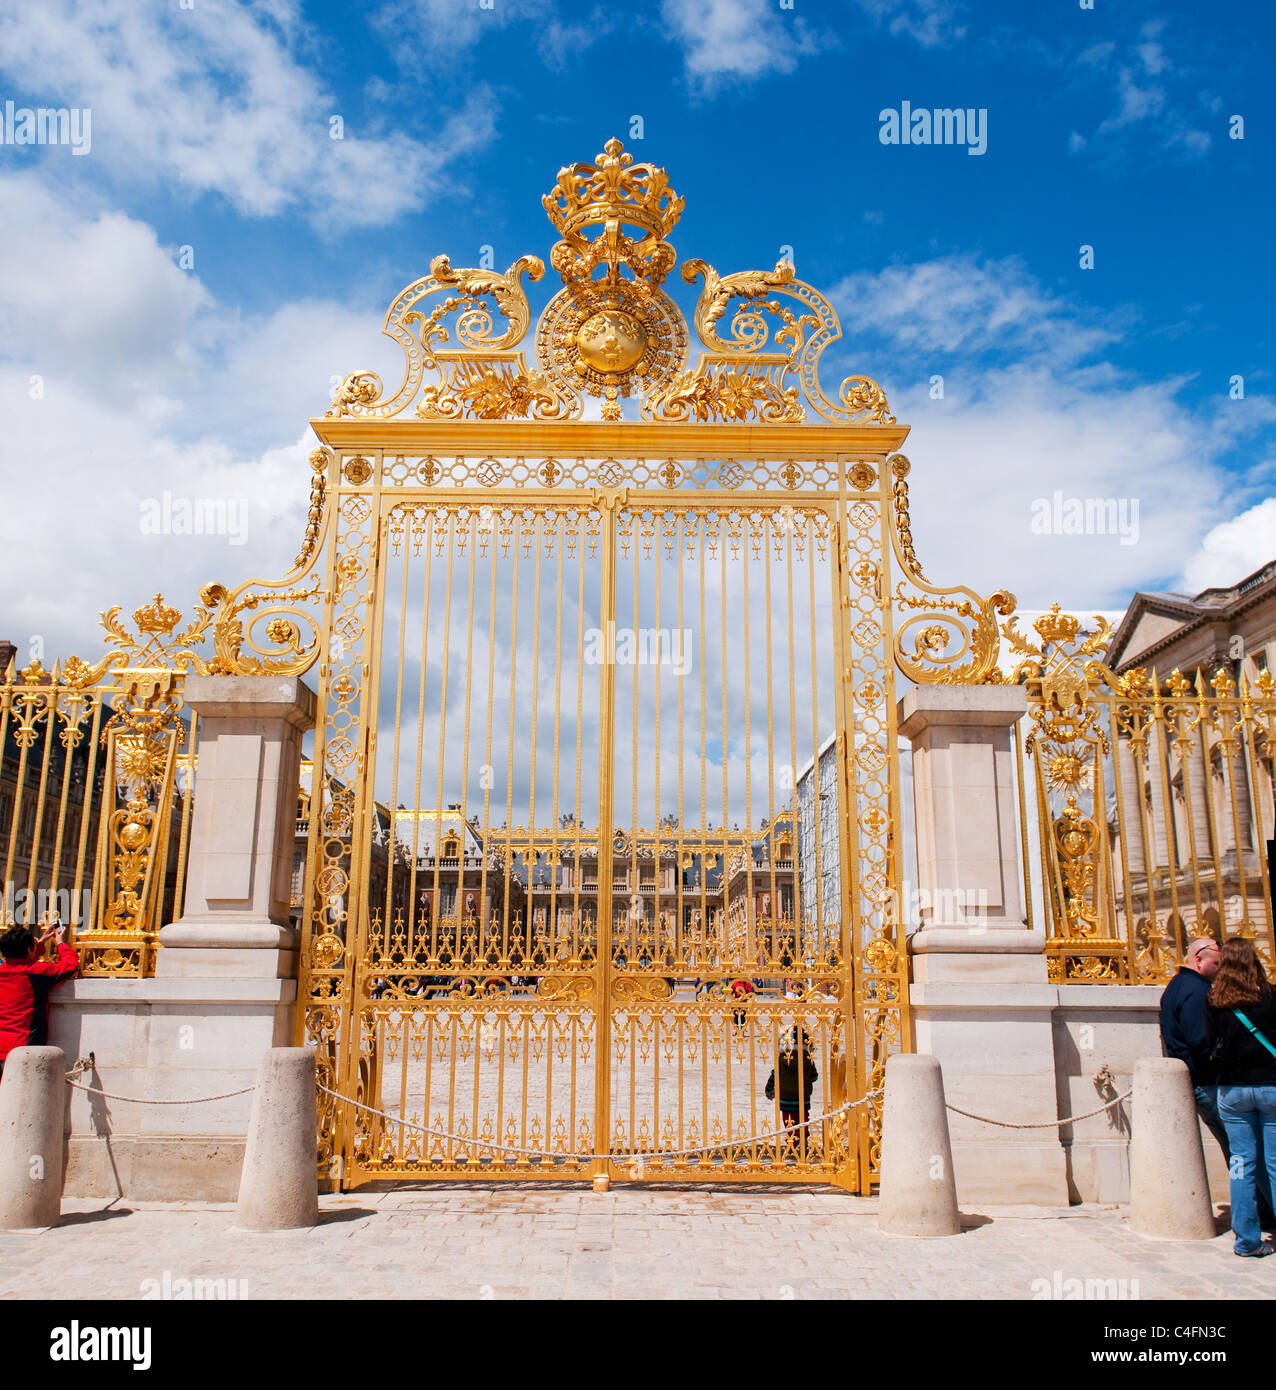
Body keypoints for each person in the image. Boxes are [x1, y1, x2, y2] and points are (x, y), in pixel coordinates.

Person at [1162, 934, 1275, 1228]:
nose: (1220, 966)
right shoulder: (1201, 994)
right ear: (1199, 958)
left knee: (1240, 1161)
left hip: (1228, 1087)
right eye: (1215, 959)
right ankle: (1267, 1215)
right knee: (1264, 1160)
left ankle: (1248, 1230)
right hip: (1222, 1084)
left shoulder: (1186, 990)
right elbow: (1203, 1043)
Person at [1206, 937, 1276, 1257]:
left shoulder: (1215, 1000)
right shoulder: (1272, 996)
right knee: (1275, 1164)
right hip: (1271, 1085)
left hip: (1232, 1089)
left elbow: (1209, 1046)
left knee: (1241, 1164)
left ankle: (1246, 1240)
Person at [0, 922, 79, 1079]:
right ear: (29, 949)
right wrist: (61, 944)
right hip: (23, 1047)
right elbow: (70, 966)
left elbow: (20, 964)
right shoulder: (38, 973)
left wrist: (40, 943)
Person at [765, 1025, 818, 1144]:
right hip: (802, 1097)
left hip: (786, 1097)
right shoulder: (808, 1058)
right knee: (803, 1119)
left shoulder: (782, 1058)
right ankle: (803, 1137)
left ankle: (792, 1141)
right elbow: (814, 1076)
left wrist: (769, 1089)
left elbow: (775, 1074)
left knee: (788, 1120)